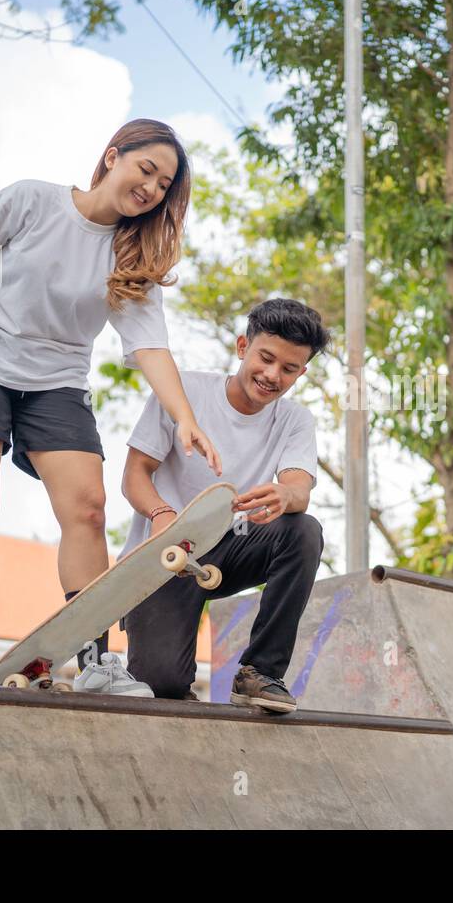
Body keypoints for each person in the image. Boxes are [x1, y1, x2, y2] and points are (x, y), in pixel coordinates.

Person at [0, 119, 221, 695]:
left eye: (165, 185)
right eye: (146, 170)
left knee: (87, 508)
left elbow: (150, 348)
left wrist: (185, 417)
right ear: (113, 156)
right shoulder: (29, 201)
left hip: (57, 381)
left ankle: (96, 663)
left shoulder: (131, 256)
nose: (152, 189)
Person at [119, 298, 328, 711]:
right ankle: (169, 676)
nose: (272, 375)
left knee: (303, 529)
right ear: (241, 347)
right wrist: (162, 515)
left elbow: (298, 488)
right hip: (168, 550)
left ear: (301, 373)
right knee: (161, 687)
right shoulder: (184, 392)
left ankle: (260, 673)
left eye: (288, 369)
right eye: (265, 358)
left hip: (234, 546)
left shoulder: (294, 420)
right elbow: (134, 476)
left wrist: (286, 495)